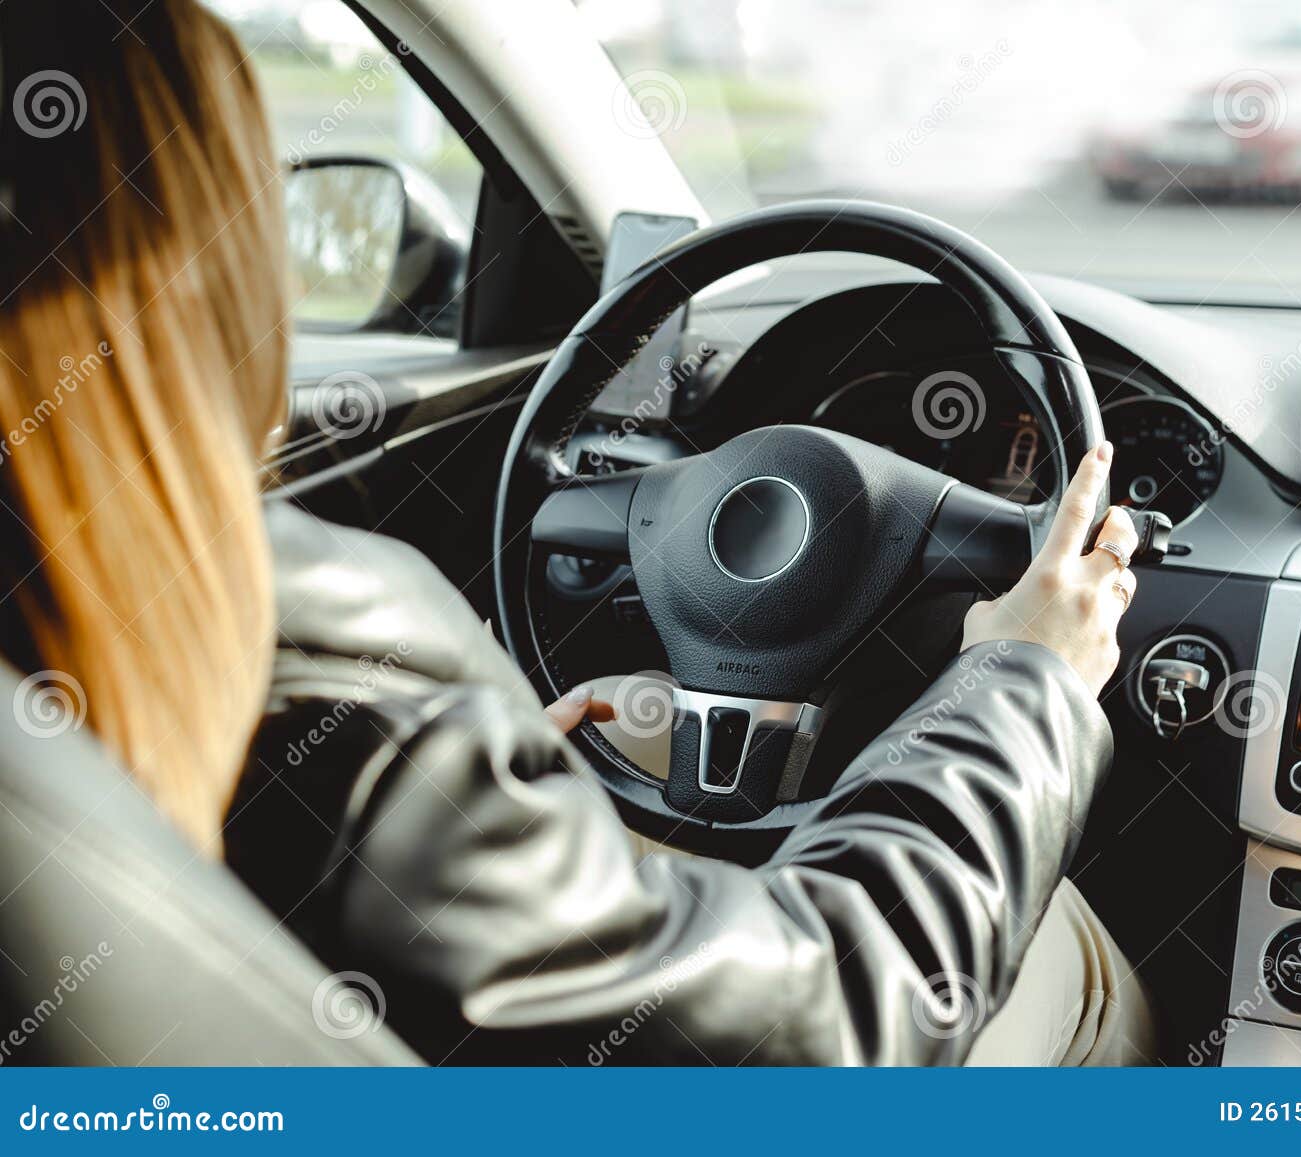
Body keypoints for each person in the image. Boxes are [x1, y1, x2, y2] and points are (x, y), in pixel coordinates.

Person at [0, 0, 1155, 1066]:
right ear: (212, 276)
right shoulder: (310, 639)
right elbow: (843, 1019)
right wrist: (1027, 679)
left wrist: (483, 799)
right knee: (1062, 949)